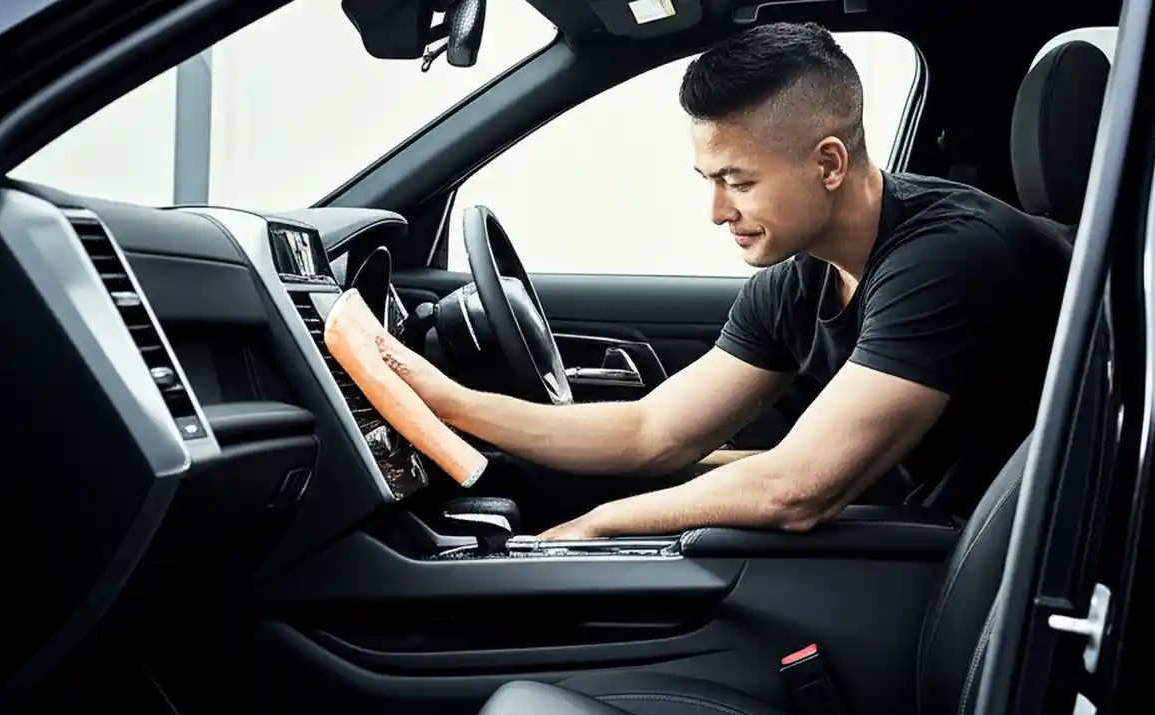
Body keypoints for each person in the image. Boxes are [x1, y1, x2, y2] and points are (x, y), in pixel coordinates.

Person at [381, 21, 1073, 539]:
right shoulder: (804, 274)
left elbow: (797, 490)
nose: (717, 212)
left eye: (738, 182)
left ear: (829, 164)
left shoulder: (949, 257)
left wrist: (596, 529)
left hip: (999, 572)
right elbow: (651, 431)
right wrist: (447, 401)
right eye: (709, 180)